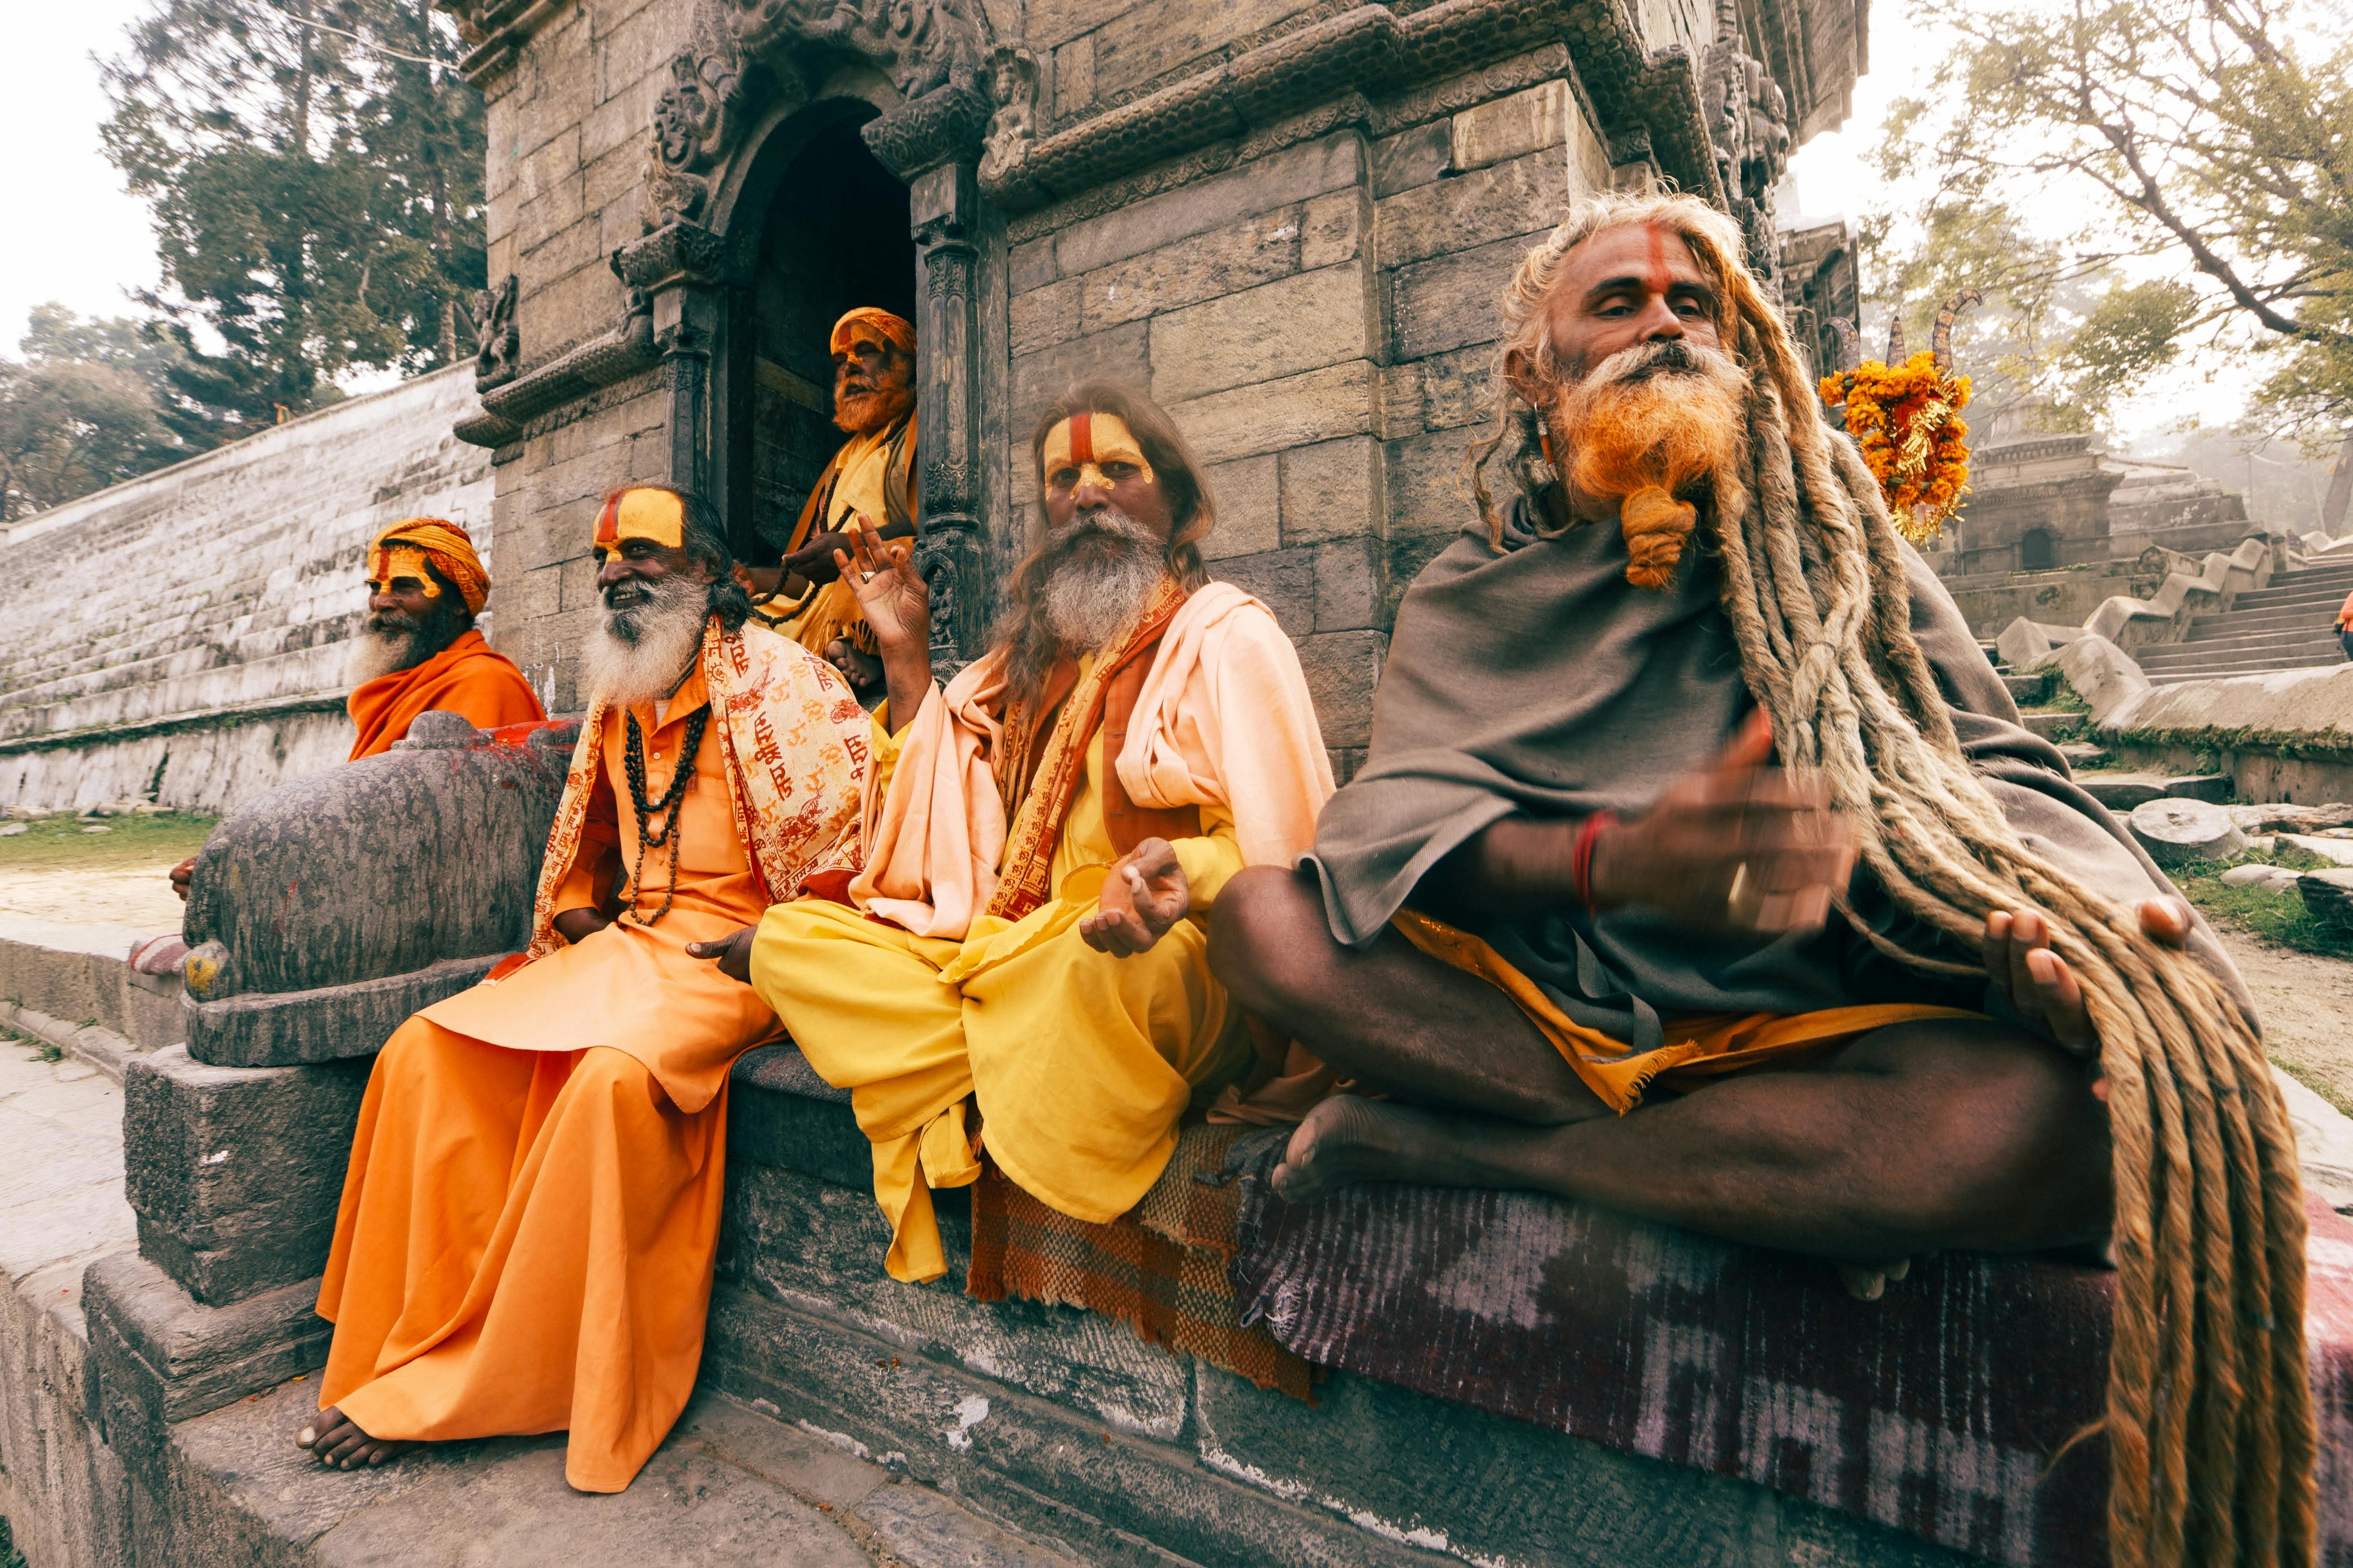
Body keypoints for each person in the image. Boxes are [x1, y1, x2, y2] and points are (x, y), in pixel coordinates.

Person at [1207, 193, 2311, 1561]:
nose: (1667, 322)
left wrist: (2069, 937)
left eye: (1699, 304)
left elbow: (1996, 772)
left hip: (1819, 1025)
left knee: (2069, 1132)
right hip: (1564, 1019)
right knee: (1261, 922)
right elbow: (1395, 834)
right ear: (1532, 371)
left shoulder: (1839, 554)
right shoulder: (1464, 591)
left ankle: (1473, 1152)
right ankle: (1687, 1163)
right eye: (1618, 302)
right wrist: (1618, 866)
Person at [296, 484, 869, 1492]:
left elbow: (850, 863)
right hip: (627, 948)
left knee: (608, 1082)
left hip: (741, 959)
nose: (616, 572)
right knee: (425, 1045)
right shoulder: (625, 685)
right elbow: (586, 843)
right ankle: (413, 1331)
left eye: (643, 553)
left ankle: (493, 1380)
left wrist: (773, 941)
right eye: (605, 556)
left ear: (709, 575)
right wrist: (570, 916)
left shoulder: (790, 685)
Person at [717, 382, 1332, 1285]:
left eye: (1117, 470)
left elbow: (1290, 858)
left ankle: (968, 1070)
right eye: (1063, 478)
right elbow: (930, 809)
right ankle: (1011, 1073)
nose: (1086, 492)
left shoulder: (1227, 638)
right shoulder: (1027, 660)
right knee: (793, 937)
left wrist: (1178, 872)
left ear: (1175, 500)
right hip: (1003, 952)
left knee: (1088, 968)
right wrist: (903, 651)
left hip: (1148, 956)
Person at [171, 517, 544, 900]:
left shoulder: (482, 682)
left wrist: (258, 870)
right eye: (376, 588)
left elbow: (438, 833)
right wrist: (240, 862)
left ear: (456, 606)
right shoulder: (407, 684)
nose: (381, 602)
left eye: (404, 587)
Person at [745, 307, 920, 699]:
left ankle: (874, 653)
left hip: (879, 585)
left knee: (881, 562)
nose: (851, 368)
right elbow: (807, 575)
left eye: (866, 351)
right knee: (742, 613)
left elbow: (937, 524)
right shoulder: (839, 462)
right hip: (825, 601)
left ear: (906, 365)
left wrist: (850, 547)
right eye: (841, 361)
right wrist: (752, 577)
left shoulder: (919, 427)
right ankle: (829, 651)